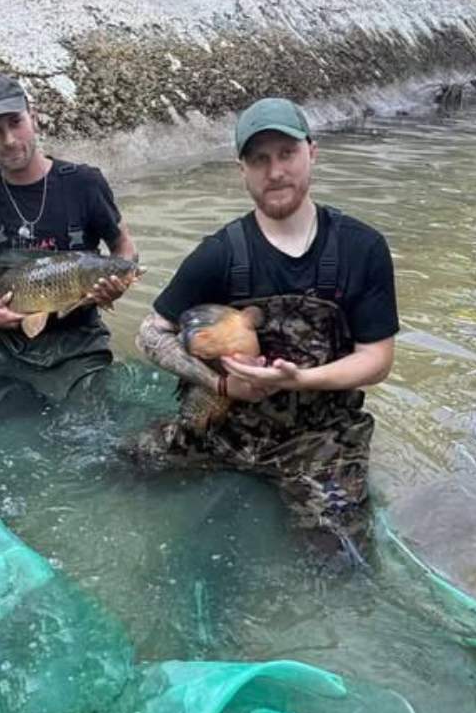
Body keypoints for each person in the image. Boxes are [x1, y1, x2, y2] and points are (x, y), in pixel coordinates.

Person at [132, 97, 398, 535]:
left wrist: (300, 380)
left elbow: (378, 359)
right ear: (242, 170)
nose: (275, 172)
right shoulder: (219, 253)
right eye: (259, 159)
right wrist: (221, 383)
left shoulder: (362, 249)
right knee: (124, 469)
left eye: (287, 154)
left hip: (323, 442)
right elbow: (150, 334)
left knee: (338, 555)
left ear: (312, 151)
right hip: (223, 429)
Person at [0, 75, 138, 402]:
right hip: (8, 340)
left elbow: (124, 247)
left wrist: (120, 282)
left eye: (16, 122)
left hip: (79, 342)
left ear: (34, 116)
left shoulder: (84, 183)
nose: (9, 140)